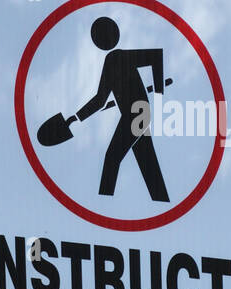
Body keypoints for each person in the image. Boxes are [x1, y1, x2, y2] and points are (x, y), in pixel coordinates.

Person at [69, 16, 169, 202]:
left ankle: (103, 203)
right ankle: (161, 200)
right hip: (137, 115)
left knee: (111, 158)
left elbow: (156, 56)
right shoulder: (111, 61)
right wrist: (76, 117)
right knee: (148, 163)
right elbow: (100, 100)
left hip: (136, 115)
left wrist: (159, 91)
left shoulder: (118, 56)